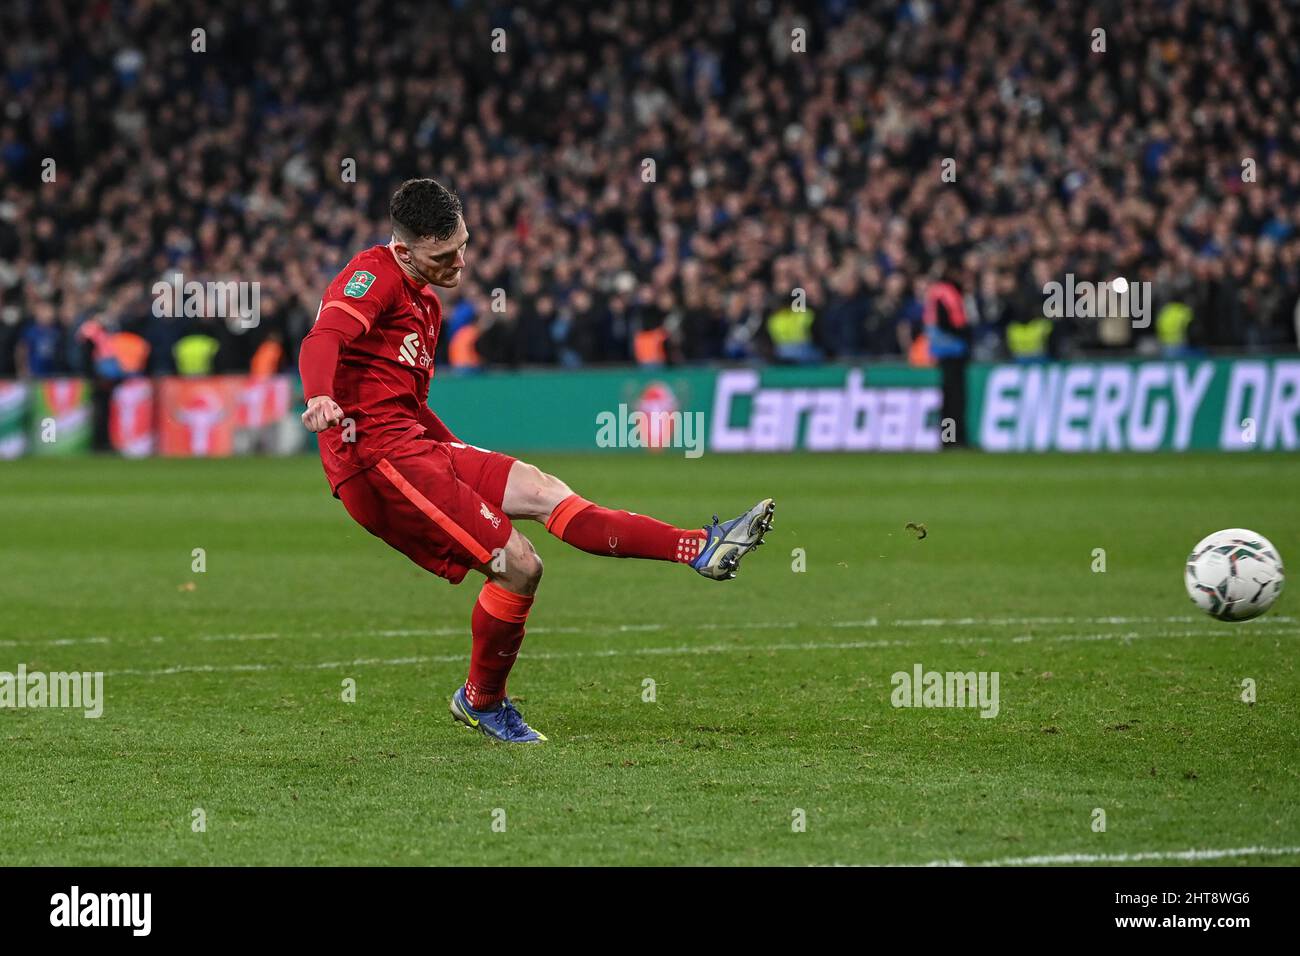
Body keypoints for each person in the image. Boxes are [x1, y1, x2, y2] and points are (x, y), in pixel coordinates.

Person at [298, 179, 775, 744]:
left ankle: (698, 547)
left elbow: (410, 405)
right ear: (404, 251)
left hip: (412, 444)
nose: (459, 262)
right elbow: (321, 338)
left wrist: (454, 455)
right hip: (374, 460)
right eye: (442, 255)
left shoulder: (425, 298)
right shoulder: (374, 275)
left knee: (546, 490)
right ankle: (482, 701)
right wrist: (319, 396)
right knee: (520, 565)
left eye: (463, 245)